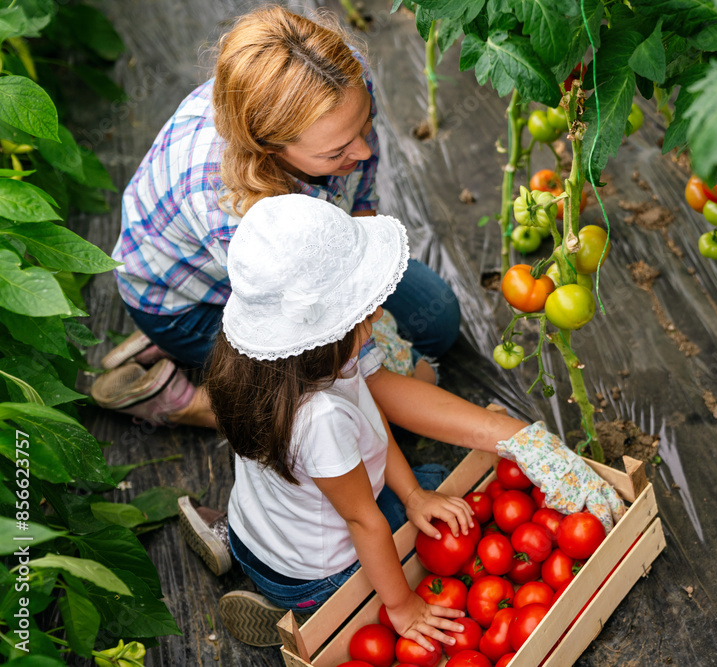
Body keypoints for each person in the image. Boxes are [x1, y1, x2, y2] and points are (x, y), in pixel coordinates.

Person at [203, 194, 625, 647]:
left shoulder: (273, 367)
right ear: (325, 334)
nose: (379, 314)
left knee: (425, 494)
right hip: (314, 573)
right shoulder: (320, 416)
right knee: (427, 516)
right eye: (364, 311)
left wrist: (412, 495)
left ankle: (234, 547)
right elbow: (364, 524)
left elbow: (372, 417)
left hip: (257, 526)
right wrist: (402, 606)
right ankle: (305, 618)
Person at [92, 6, 459, 428]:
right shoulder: (234, 206)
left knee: (439, 322)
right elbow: (322, 325)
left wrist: (365, 286)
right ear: (268, 147)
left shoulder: (339, 79)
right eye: (337, 152)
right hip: (184, 302)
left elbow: (362, 193)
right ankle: (185, 401)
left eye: (364, 125)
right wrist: (374, 362)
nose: (362, 152)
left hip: (282, 263)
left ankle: (200, 359)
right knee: (330, 416)